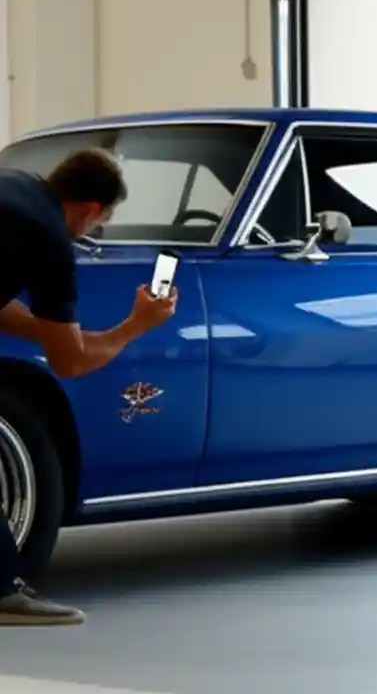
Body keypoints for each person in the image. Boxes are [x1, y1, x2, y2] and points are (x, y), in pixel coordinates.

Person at [0, 149, 177, 625]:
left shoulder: (12, 186)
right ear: (92, 210)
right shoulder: (49, 239)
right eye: (101, 222)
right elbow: (71, 362)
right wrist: (135, 327)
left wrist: (65, 333)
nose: (92, 233)